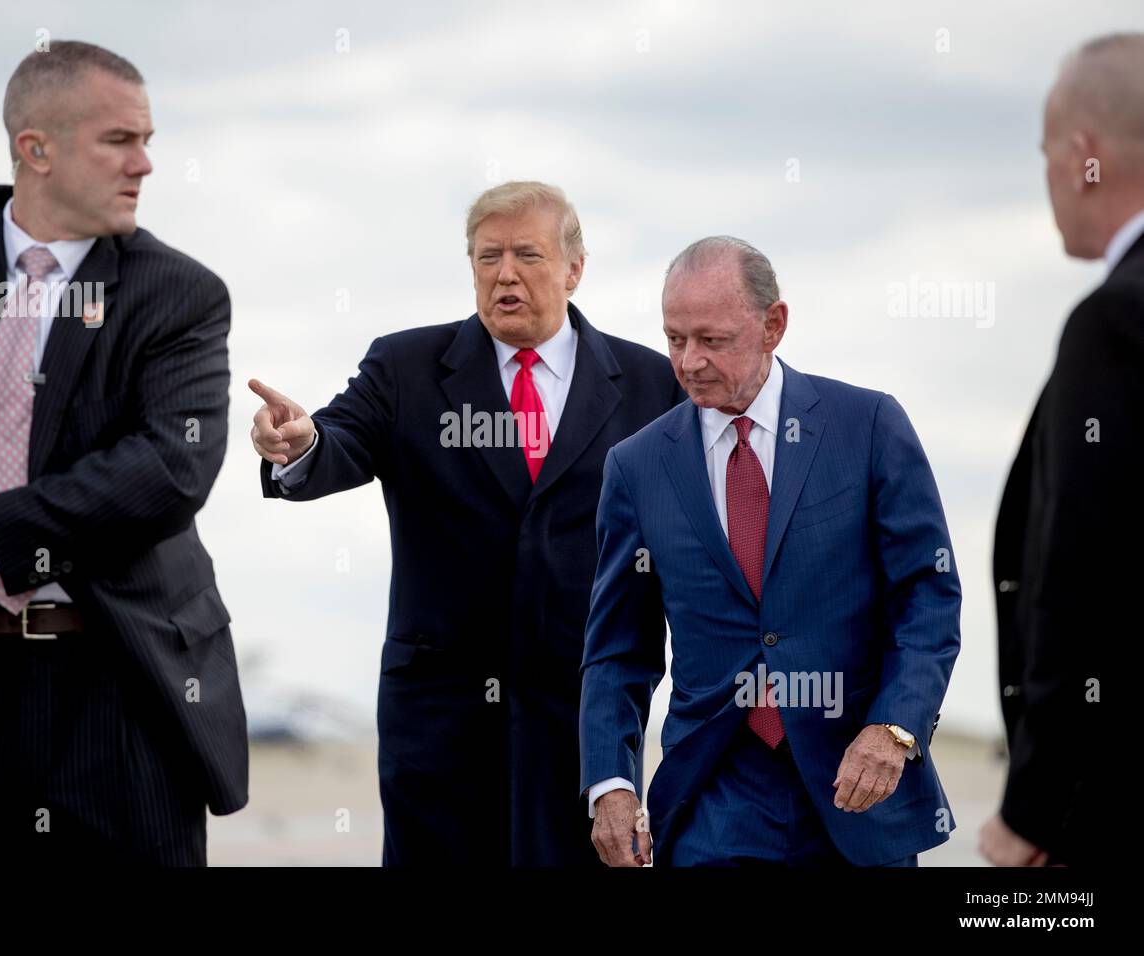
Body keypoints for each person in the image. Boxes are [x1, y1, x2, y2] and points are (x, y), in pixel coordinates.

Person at [0, 40, 247, 866]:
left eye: (149, 141)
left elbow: (170, 470)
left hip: (117, 689)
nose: (144, 164)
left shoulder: (178, 293)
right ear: (36, 149)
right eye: (119, 141)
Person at [250, 181, 682, 865]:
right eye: (487, 257)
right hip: (441, 723)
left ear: (574, 268)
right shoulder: (406, 368)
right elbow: (337, 443)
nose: (504, 274)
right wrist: (299, 445)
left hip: (581, 722)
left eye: (527, 255)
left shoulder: (653, 383)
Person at [582, 237, 961, 867]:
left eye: (712, 339)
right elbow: (618, 648)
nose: (690, 361)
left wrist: (895, 728)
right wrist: (610, 784)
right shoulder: (636, 466)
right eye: (675, 339)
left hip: (857, 782)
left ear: (773, 325)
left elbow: (927, 592)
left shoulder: (866, 426)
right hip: (714, 794)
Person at [982, 33, 1142, 868]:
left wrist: (1035, 809)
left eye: (1047, 150)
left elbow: (1080, 575)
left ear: (1084, 155)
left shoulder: (1114, 323)